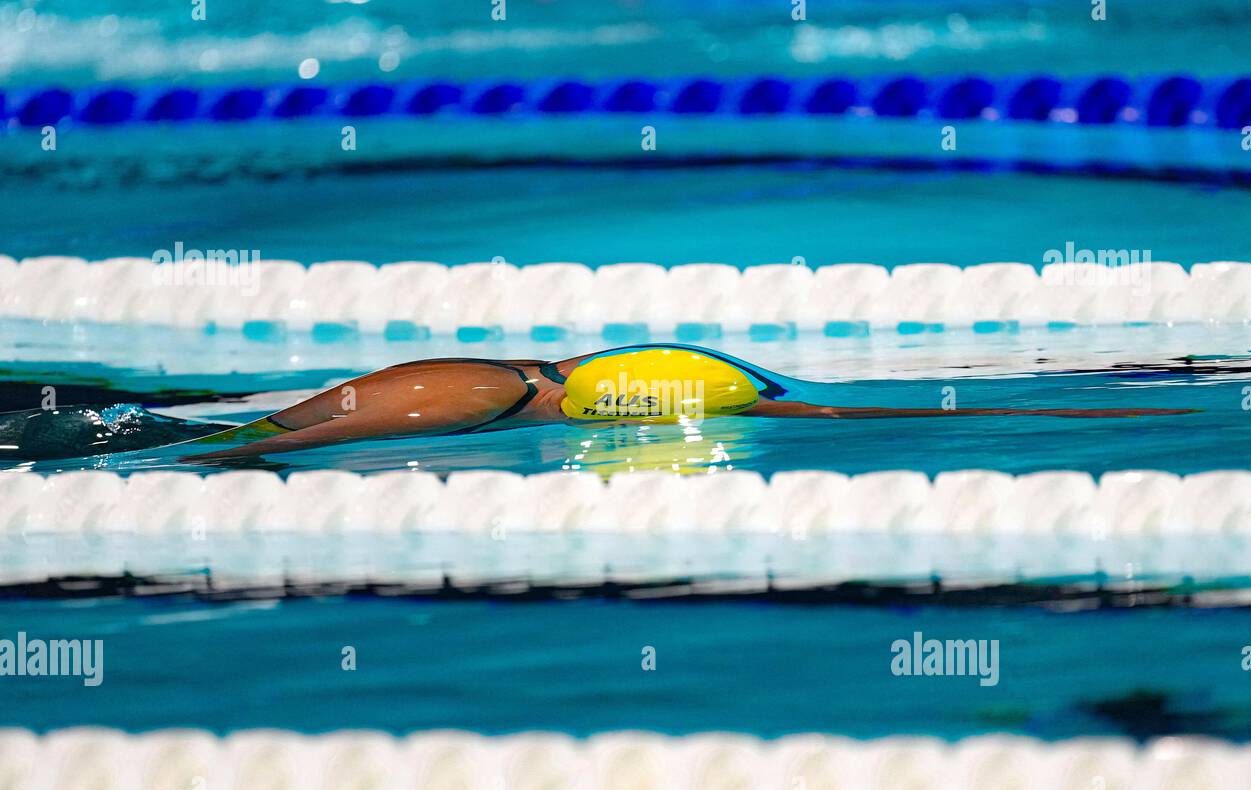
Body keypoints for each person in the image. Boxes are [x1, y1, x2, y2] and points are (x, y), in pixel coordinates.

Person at [180, 343, 1196, 461]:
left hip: (497, 390)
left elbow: (305, 422)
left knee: (241, 433)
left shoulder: (484, 389)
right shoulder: (481, 392)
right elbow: (353, 419)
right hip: (493, 392)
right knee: (235, 437)